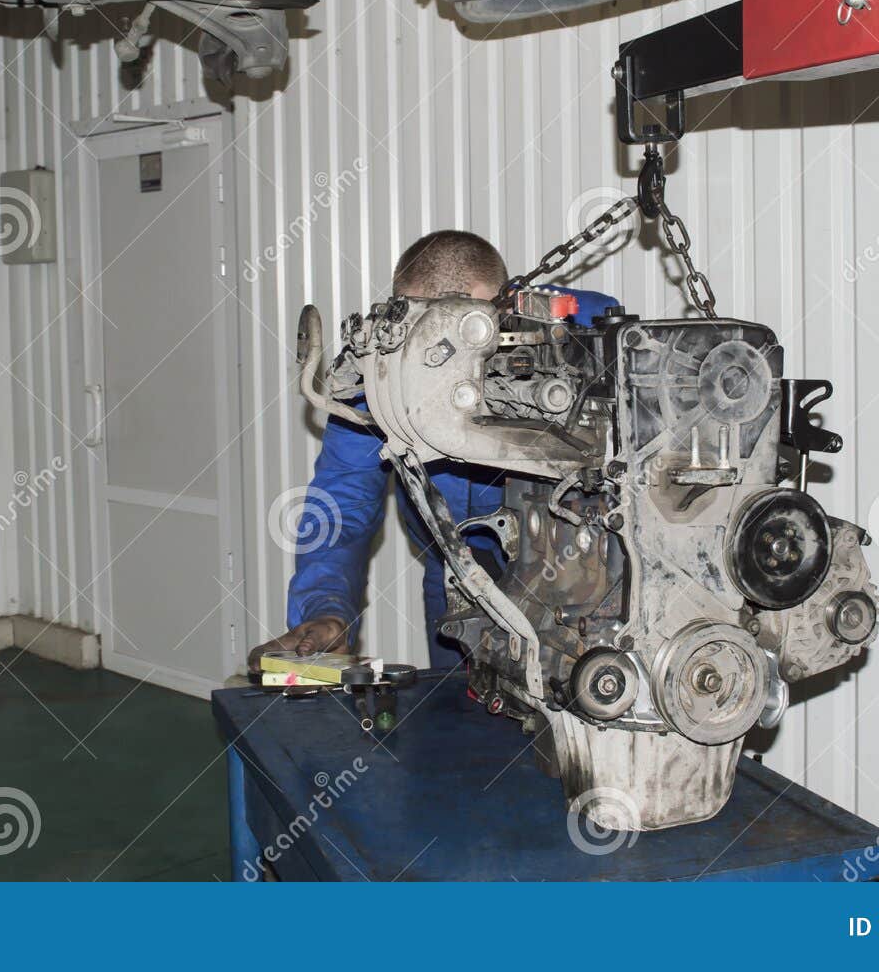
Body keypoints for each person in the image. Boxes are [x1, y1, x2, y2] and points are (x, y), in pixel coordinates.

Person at [248, 230, 616, 673]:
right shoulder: (378, 367)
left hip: (580, 582)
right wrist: (326, 609)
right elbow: (343, 502)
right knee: (456, 718)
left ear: (503, 306)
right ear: (401, 313)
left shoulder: (577, 331)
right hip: (456, 576)